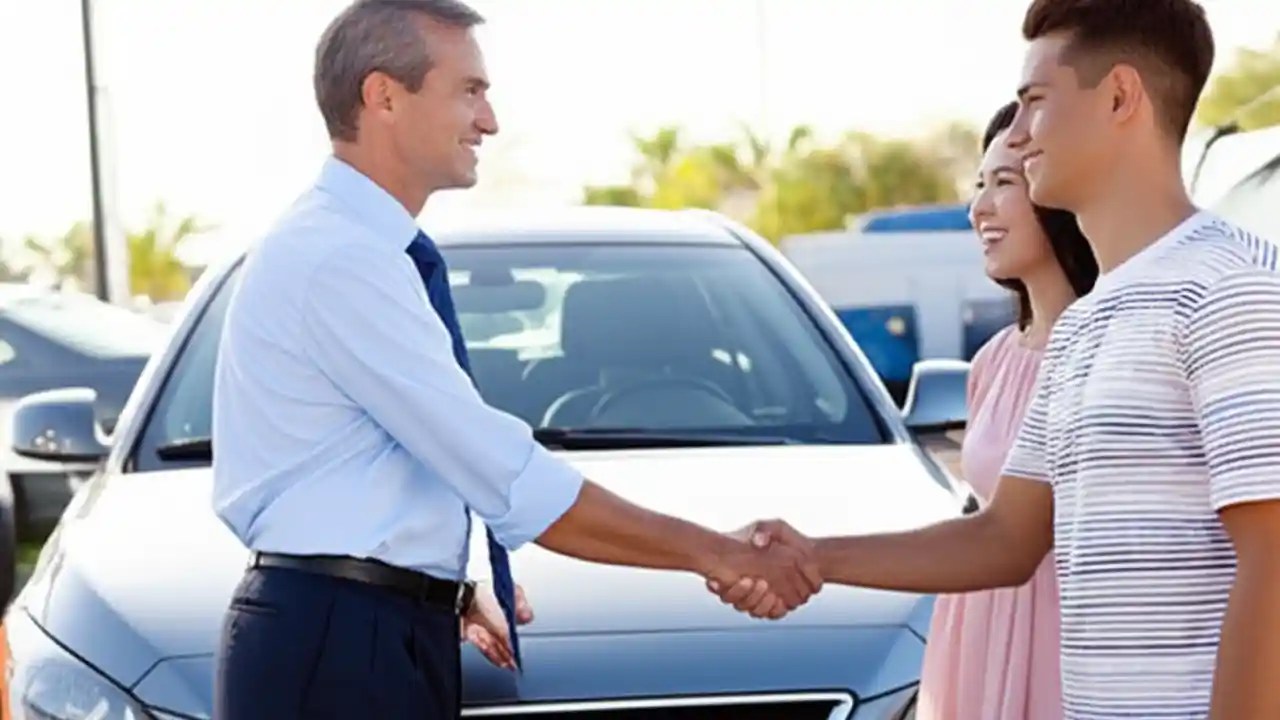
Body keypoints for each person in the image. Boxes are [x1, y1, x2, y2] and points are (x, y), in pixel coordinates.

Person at [210, 2, 819, 718]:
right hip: (340, 647)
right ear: (383, 96)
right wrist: (717, 553)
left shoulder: (358, 249)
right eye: (469, 90)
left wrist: (450, 590)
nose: (489, 120)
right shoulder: (339, 260)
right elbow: (504, 472)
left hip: (369, 631)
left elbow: (364, 474)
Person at [717, 1, 1280, 718]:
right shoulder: (1081, 329)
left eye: (1033, 105)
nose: (1016, 136)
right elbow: (1005, 537)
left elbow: (1275, 560)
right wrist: (814, 556)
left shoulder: (1230, 290)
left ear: (1118, 97)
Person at [915, 100, 1097, 720]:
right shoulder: (993, 360)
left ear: (1057, 192)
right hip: (979, 632)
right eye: (978, 186)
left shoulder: (1109, 347)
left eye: (1004, 184)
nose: (979, 209)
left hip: (1070, 647)